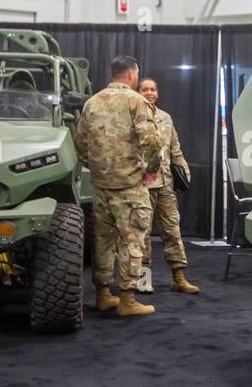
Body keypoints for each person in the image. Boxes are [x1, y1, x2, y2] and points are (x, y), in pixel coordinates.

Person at [75, 55, 163, 316]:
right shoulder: (137, 101)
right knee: (133, 240)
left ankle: (103, 295)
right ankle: (127, 300)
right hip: (129, 187)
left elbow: (80, 144)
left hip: (101, 187)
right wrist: (151, 170)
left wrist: (99, 169)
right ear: (132, 74)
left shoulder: (92, 103)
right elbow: (152, 143)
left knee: (103, 241)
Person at [135, 77, 199, 294]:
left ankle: (178, 277)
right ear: (138, 92)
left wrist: (184, 172)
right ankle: (143, 279)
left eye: (153, 89)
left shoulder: (165, 118)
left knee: (172, 229)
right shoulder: (133, 117)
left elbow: (175, 150)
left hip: (165, 184)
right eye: (145, 89)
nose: (150, 93)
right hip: (142, 183)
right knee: (142, 233)